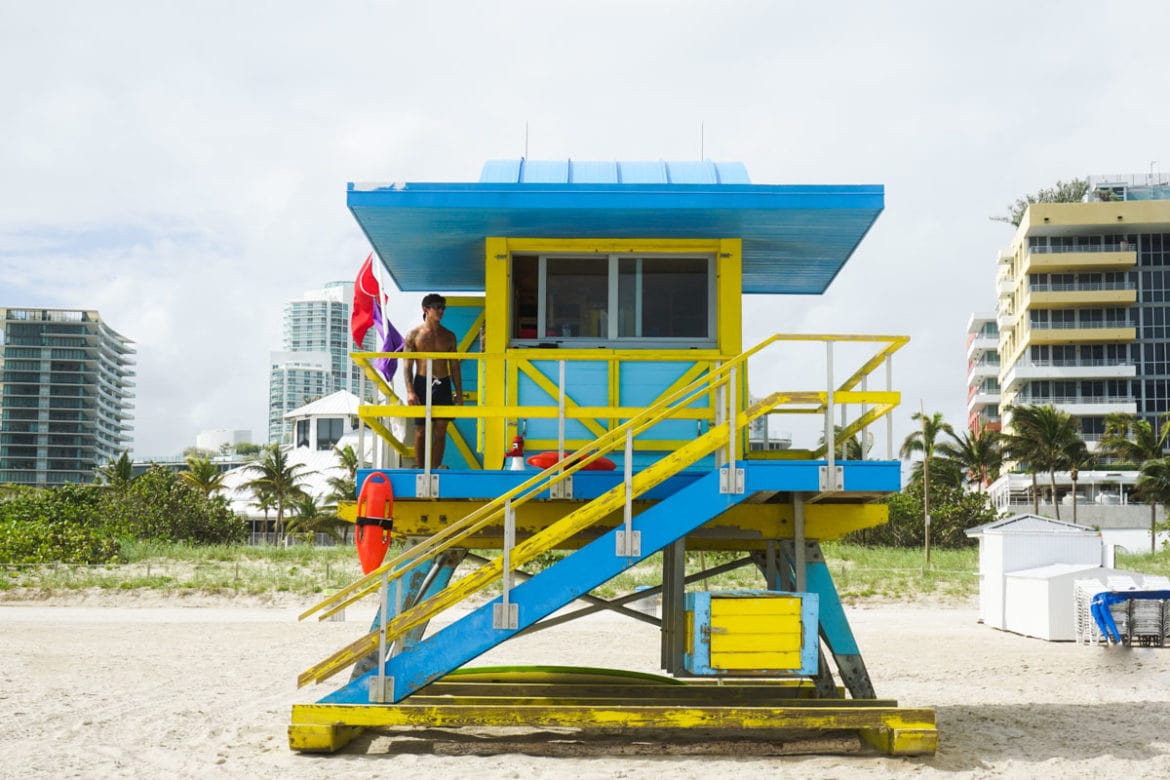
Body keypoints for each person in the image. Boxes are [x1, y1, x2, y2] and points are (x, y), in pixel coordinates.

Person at [403, 294, 463, 468]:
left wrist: (459, 393)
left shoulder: (449, 336)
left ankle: (436, 468)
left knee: (441, 429)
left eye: (443, 307)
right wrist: (410, 391)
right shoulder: (414, 335)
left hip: (443, 383)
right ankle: (420, 469)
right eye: (437, 307)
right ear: (426, 310)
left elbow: (454, 367)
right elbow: (407, 366)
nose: (441, 311)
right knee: (421, 430)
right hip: (422, 382)